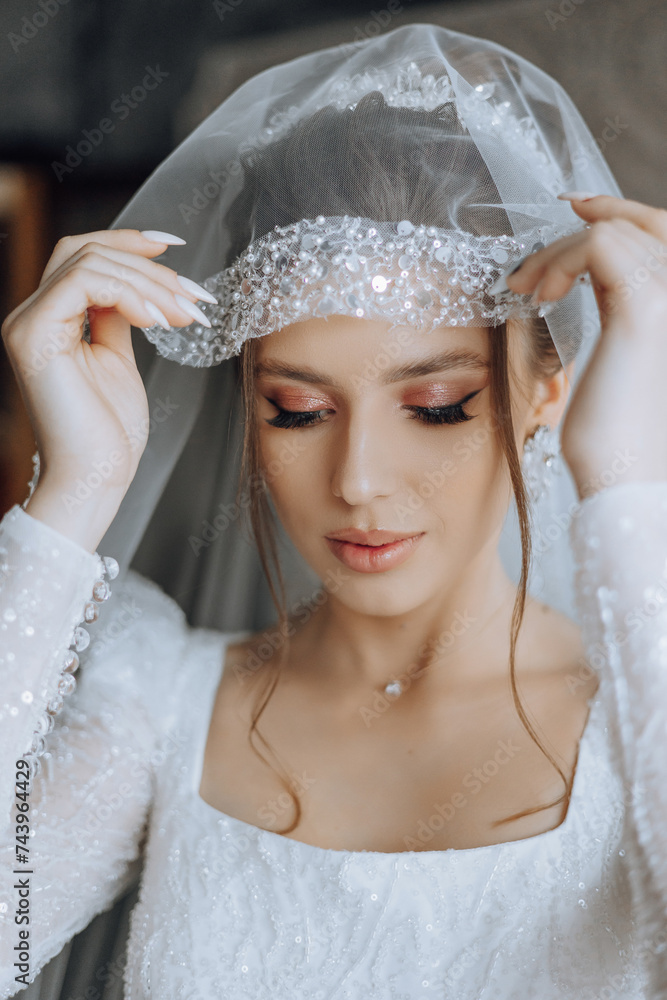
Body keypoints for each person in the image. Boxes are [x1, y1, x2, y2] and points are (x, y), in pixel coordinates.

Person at [2, 21, 667, 999]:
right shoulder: (155, 704)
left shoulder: (639, 710)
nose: (358, 476)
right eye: (298, 409)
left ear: (545, 393)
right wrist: (73, 495)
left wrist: (623, 478)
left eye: (437, 406)